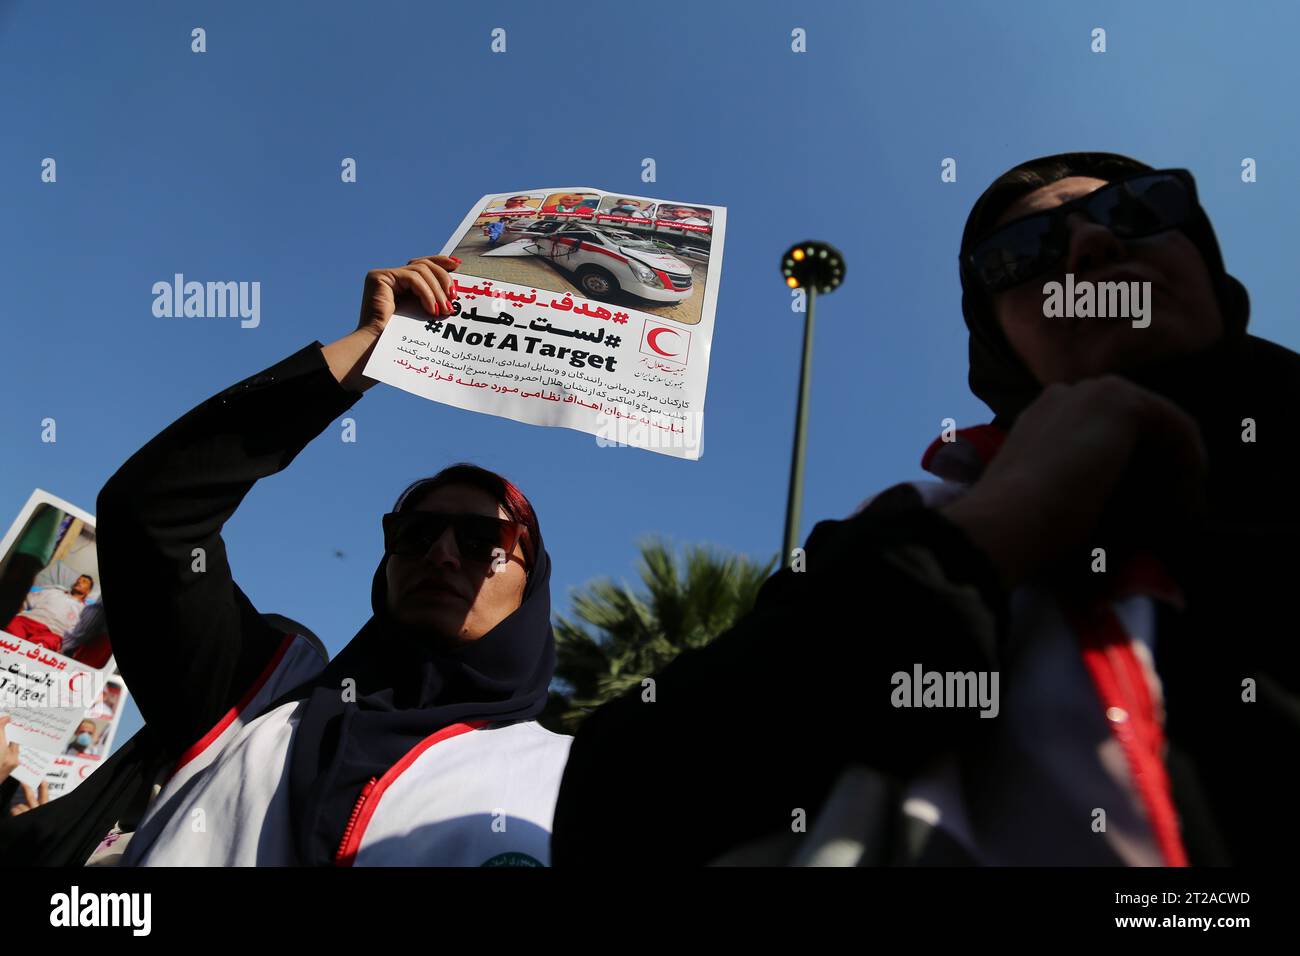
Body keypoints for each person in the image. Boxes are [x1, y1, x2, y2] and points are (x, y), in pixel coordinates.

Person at [551, 152, 1300, 866]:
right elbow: (620, 809)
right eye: (1023, 253)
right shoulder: (921, 519)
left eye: (1140, 208)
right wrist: (980, 541)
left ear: (1201, 252)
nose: (1093, 246)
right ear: (999, 338)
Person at [0, 254, 571, 866]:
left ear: (530, 580)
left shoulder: (566, 784)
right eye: (417, 532)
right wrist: (371, 351)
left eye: (483, 540)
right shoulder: (255, 697)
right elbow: (152, 510)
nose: (442, 553)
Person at [3, 575, 94, 652]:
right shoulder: (54, 592)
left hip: (53, 632)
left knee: (36, 650)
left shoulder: (85, 610)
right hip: (26, 621)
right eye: (78, 579)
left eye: (84, 581)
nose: (78, 581)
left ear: (88, 591)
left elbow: (80, 634)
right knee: (9, 637)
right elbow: (24, 601)